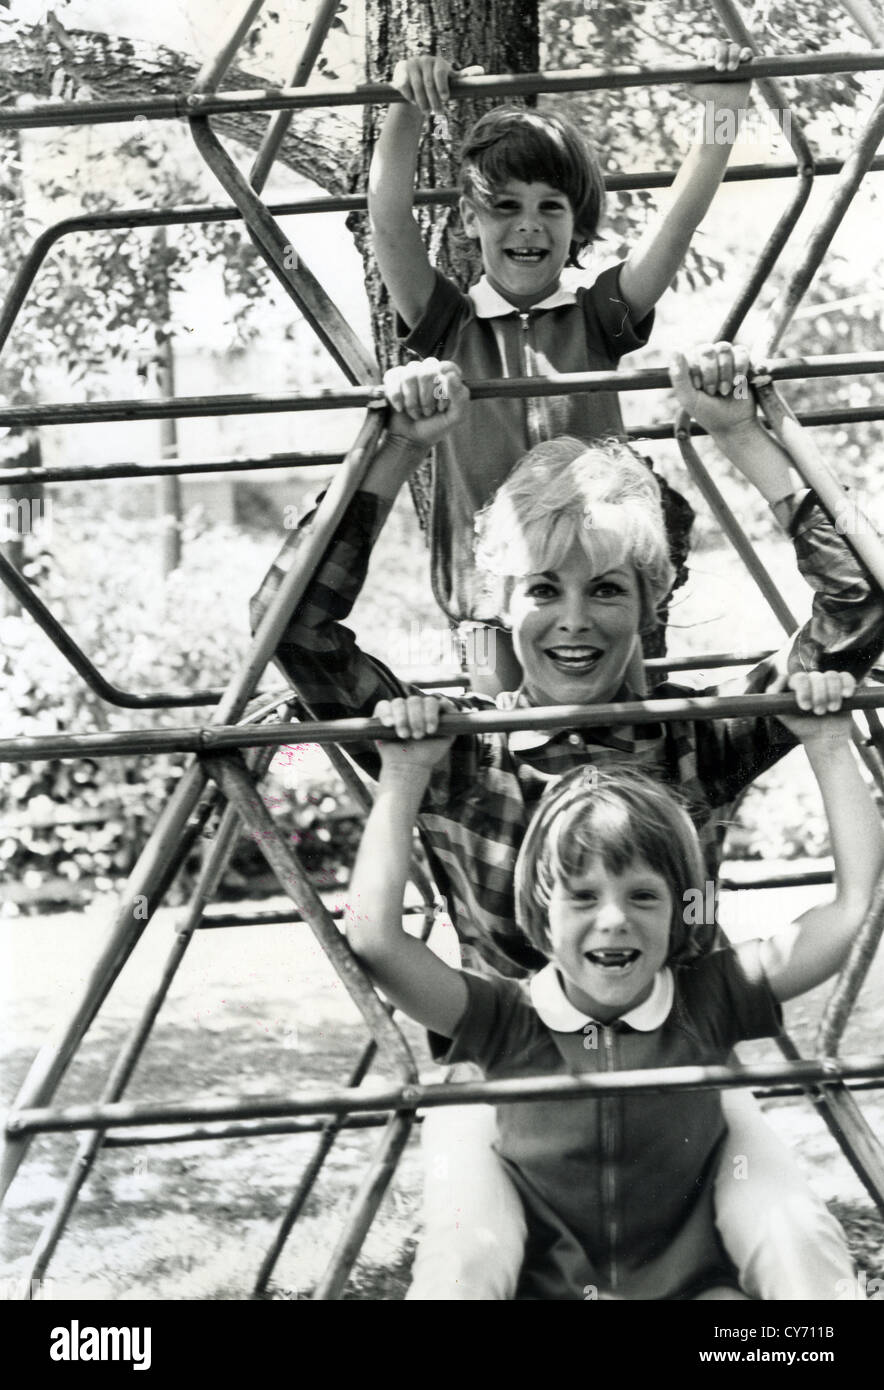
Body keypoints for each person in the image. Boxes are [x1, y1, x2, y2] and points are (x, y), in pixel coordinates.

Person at [249, 345, 884, 1297]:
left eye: (607, 589)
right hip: (510, 1085)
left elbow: (860, 602)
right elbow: (289, 626)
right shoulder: (460, 754)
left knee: (795, 1237)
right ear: (503, 603)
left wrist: (742, 434)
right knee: (466, 1256)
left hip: (678, 1073)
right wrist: (397, 450)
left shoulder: (693, 740)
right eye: (544, 589)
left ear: (651, 601)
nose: (574, 621)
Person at [344, 685, 883, 1299]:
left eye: (643, 896)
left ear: (682, 915)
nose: (613, 919)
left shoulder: (706, 1001)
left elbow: (850, 911)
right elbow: (375, 938)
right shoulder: (505, 1018)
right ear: (540, 915)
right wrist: (406, 769)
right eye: (582, 897)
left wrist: (830, 744)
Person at [368, 43, 752, 685]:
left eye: (551, 207)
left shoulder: (599, 316)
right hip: (489, 602)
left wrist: (722, 114)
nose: (528, 227)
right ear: (468, 218)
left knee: (628, 736)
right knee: (503, 747)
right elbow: (387, 220)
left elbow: (678, 221)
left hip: (602, 584)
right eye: (505, 206)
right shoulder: (448, 324)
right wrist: (409, 104)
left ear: (576, 226)